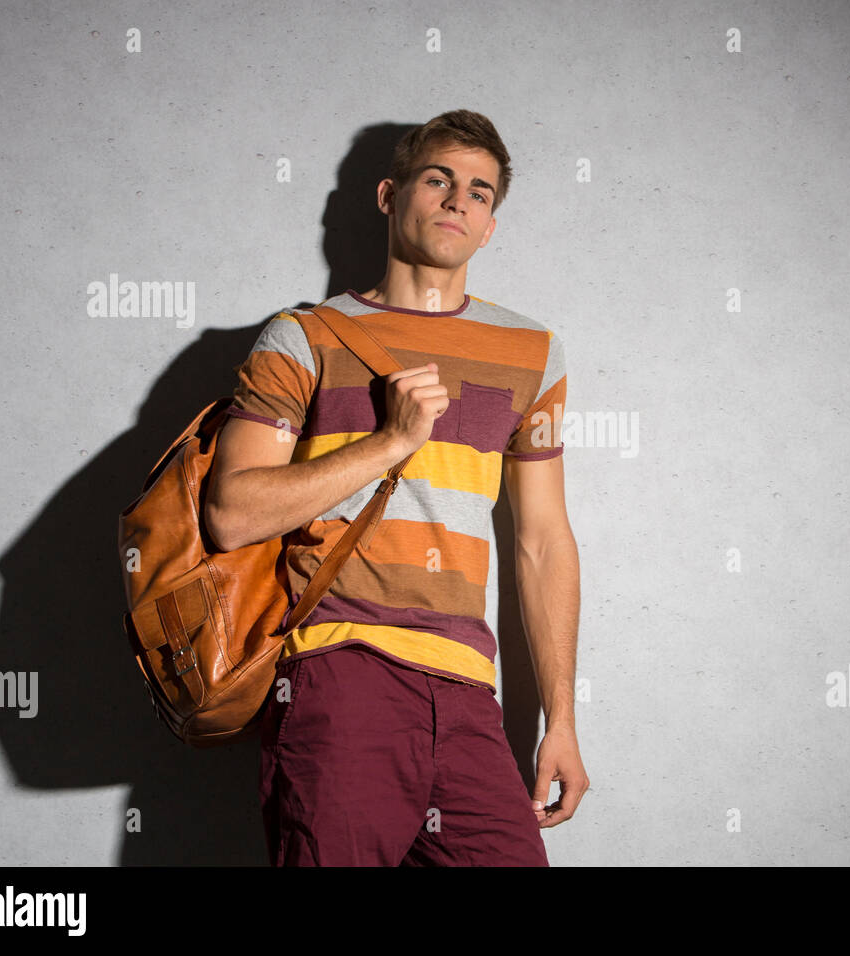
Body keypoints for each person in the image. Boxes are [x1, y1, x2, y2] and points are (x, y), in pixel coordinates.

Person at [203, 109, 587, 866]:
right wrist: (390, 442)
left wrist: (562, 721)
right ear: (389, 195)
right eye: (437, 179)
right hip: (341, 674)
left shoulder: (533, 353)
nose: (457, 200)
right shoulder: (303, 336)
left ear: (489, 229)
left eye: (479, 192)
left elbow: (543, 542)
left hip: (470, 689)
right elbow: (231, 512)